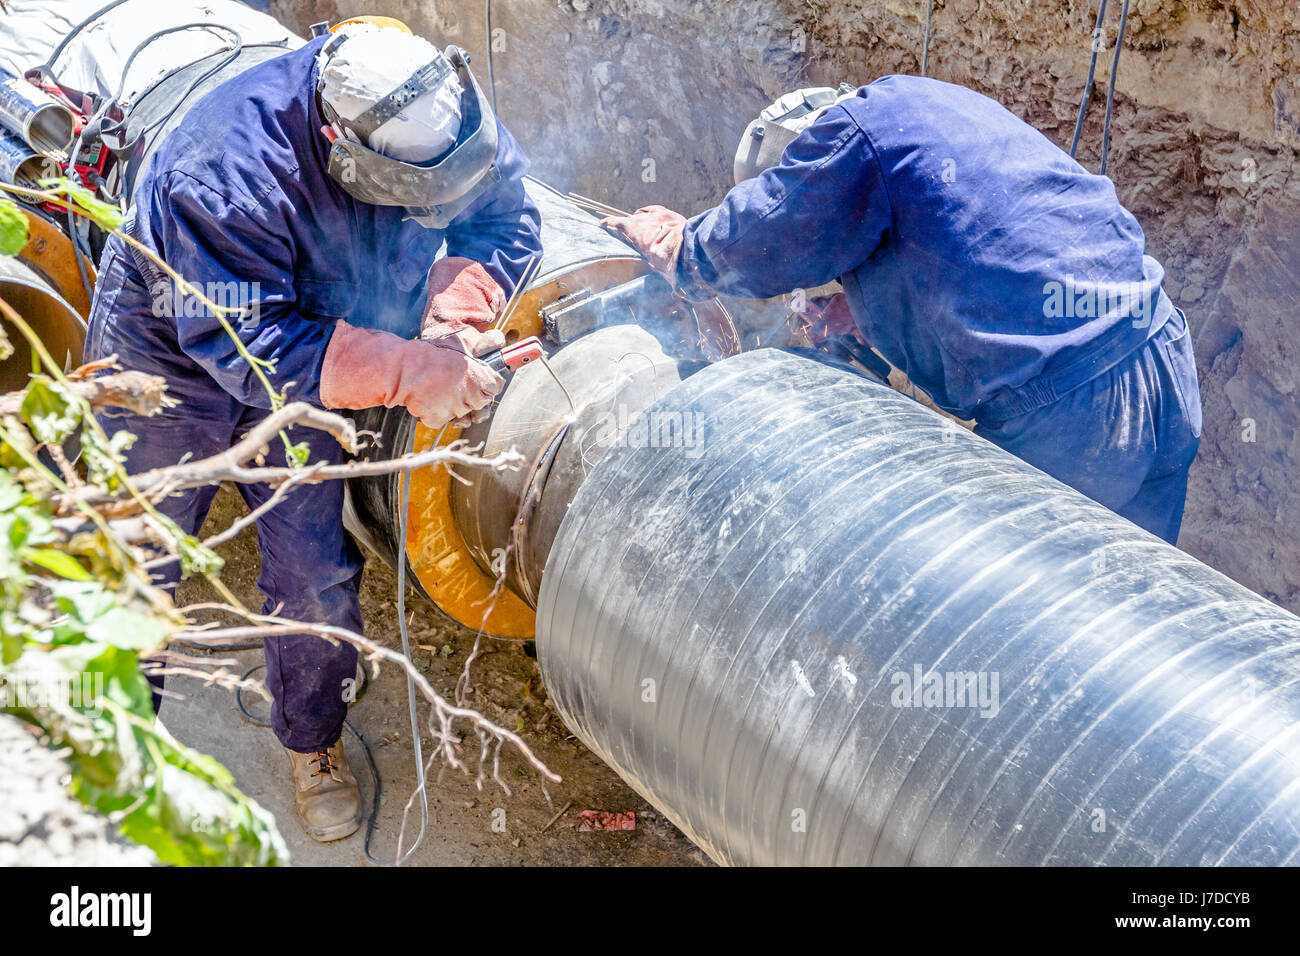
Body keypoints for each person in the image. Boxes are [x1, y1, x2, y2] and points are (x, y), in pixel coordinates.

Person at [84, 20, 542, 841]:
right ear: (343, 147)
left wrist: (451, 326)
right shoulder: (224, 174)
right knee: (138, 551)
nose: (439, 202)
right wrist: (406, 373)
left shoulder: (443, 120)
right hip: (175, 348)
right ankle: (113, 749)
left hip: (318, 331)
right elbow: (255, 347)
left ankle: (312, 739)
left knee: (312, 571)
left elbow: (505, 221)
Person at [603, 79, 1202, 545]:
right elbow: (978, 242)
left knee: (1018, 637)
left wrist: (685, 248)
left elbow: (767, 234)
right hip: (1162, 358)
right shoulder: (922, 112)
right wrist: (864, 308)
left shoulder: (848, 139)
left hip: (1074, 411)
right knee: (1130, 622)